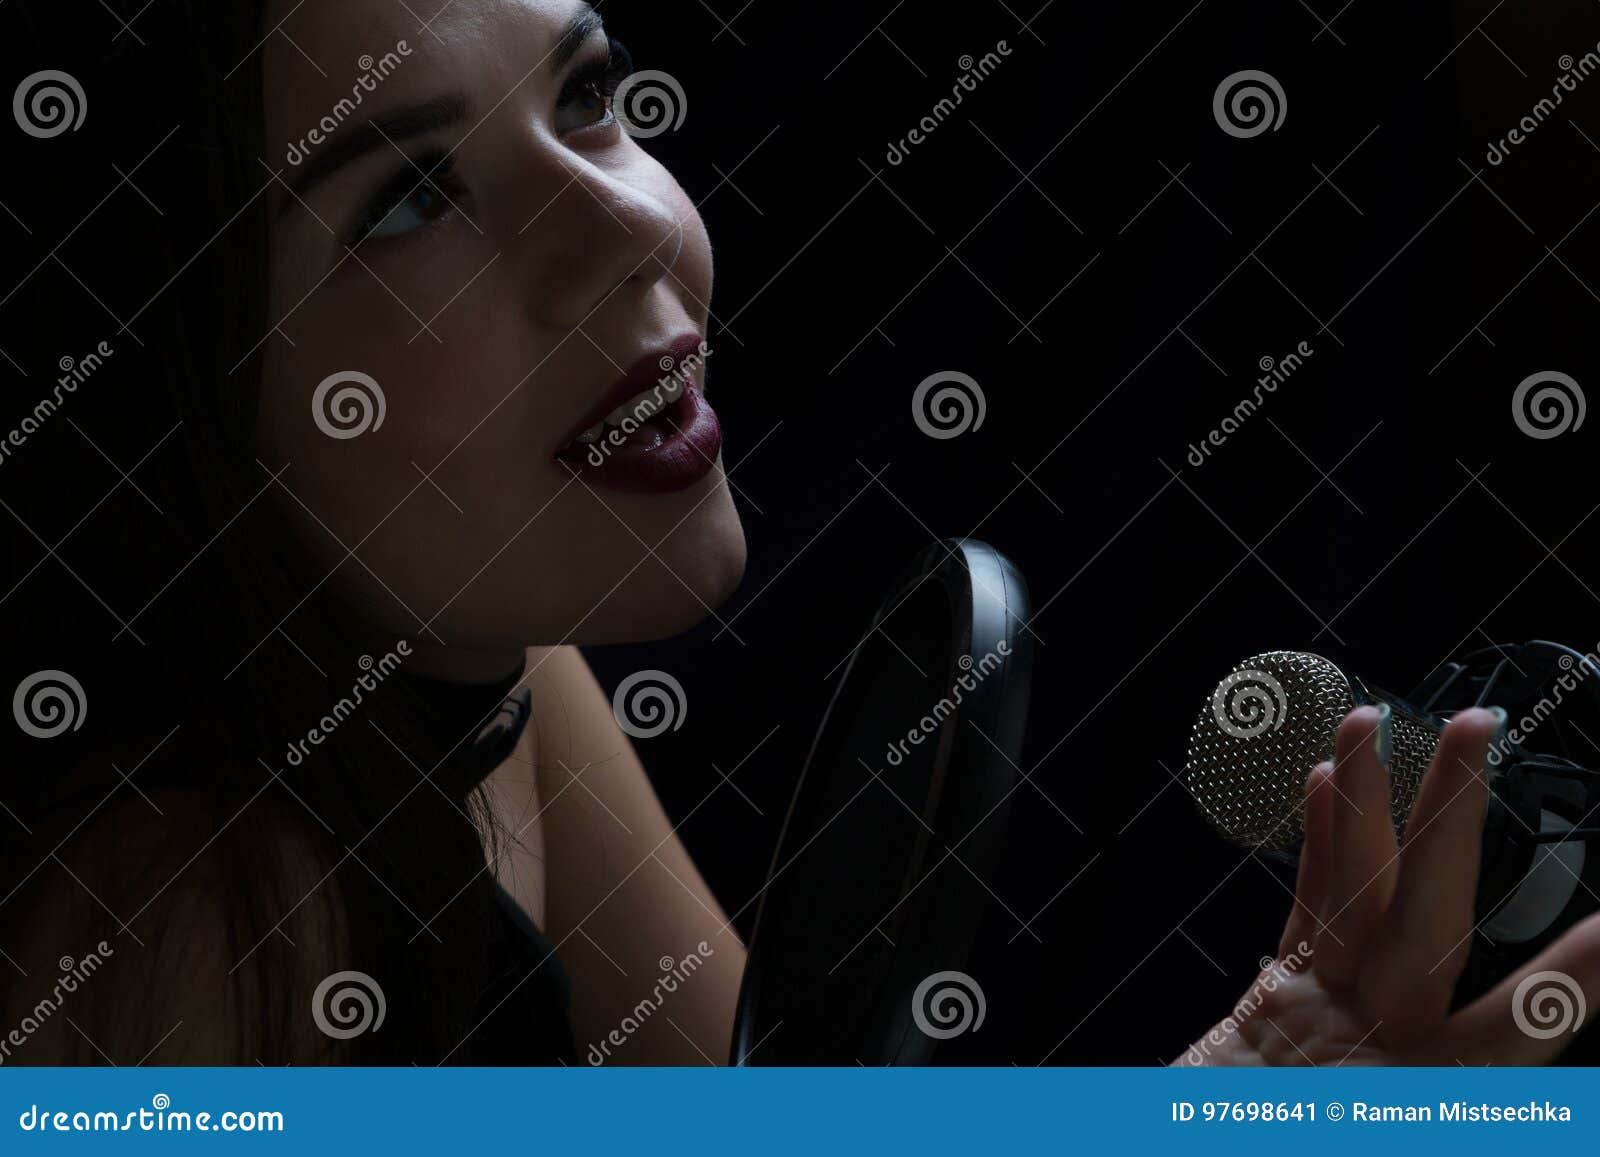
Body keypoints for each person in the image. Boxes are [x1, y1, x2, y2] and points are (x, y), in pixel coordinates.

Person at [2, 0, 1594, 1067]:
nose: (628, 222)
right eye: (412, 197)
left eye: (589, 98)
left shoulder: (475, 655)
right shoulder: (187, 923)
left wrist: (1243, 1084)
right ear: (174, 401)